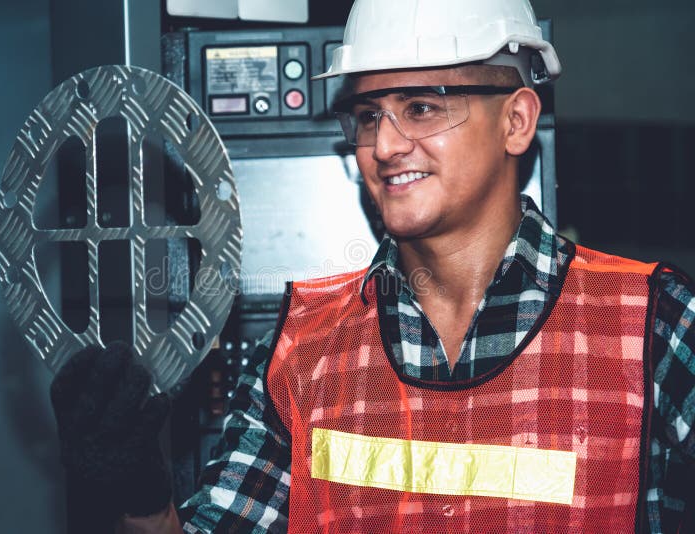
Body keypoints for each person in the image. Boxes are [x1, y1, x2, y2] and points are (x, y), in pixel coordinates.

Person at [50, 0, 695, 532]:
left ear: (517, 121)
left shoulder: (650, 327)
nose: (384, 146)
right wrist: (137, 491)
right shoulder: (303, 349)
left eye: (421, 106)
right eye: (367, 116)